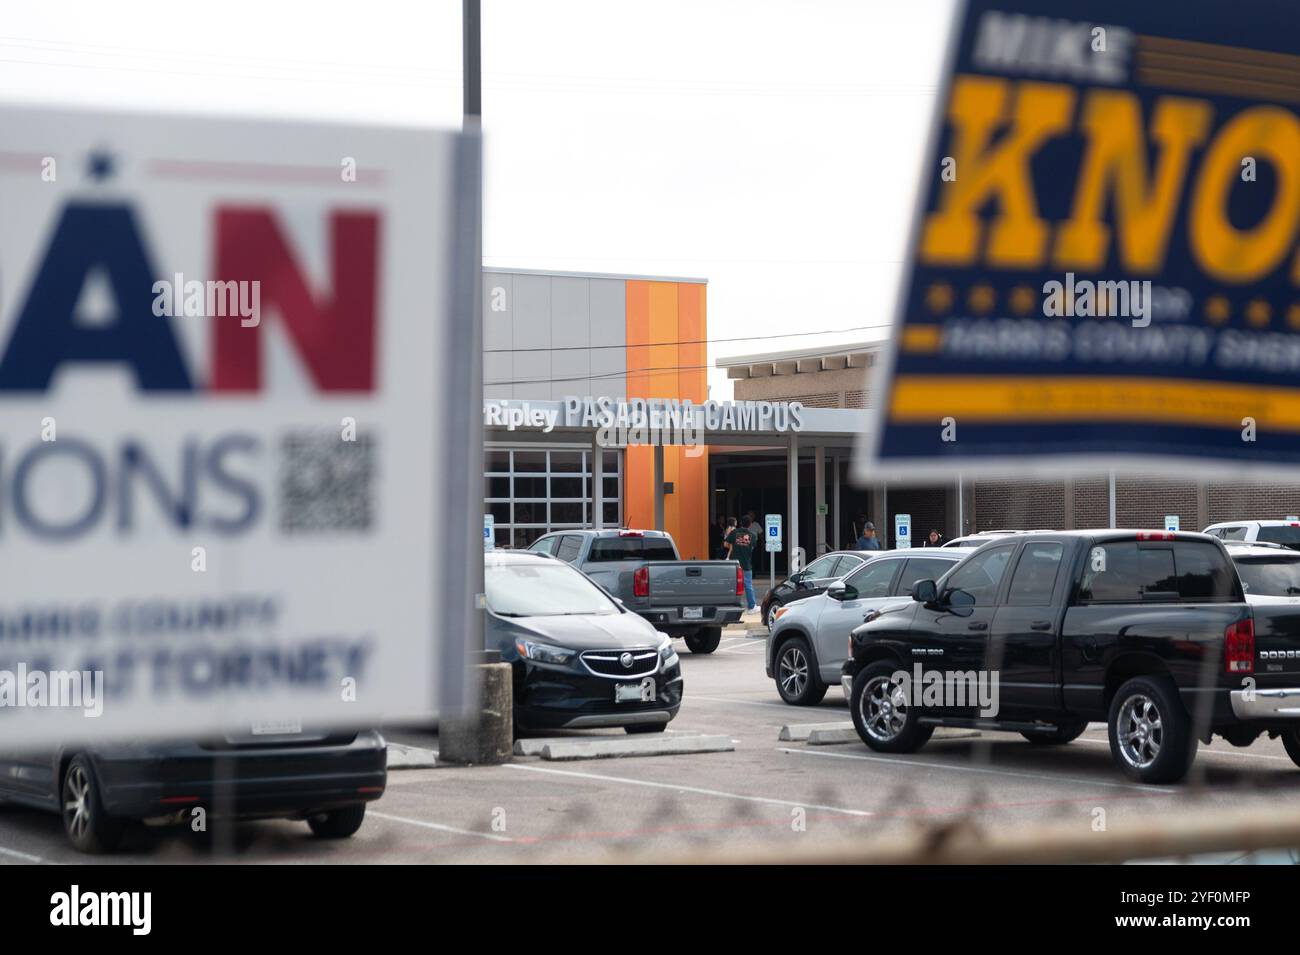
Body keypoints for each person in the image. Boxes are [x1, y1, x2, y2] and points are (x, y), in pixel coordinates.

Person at [724, 516, 757, 612]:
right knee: (748, 585)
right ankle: (751, 606)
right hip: (746, 564)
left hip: (734, 564)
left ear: (741, 523)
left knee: (732, 585)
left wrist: (734, 545)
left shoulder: (734, 533)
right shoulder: (753, 535)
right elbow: (752, 548)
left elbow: (725, 544)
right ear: (750, 524)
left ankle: (730, 605)